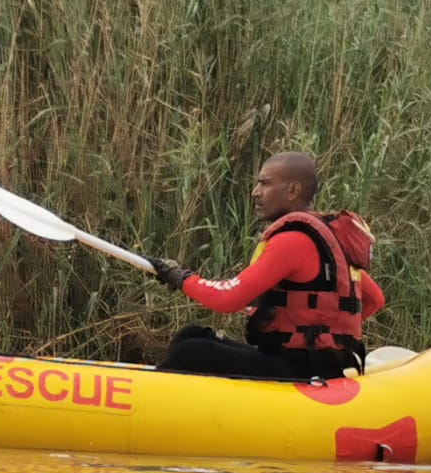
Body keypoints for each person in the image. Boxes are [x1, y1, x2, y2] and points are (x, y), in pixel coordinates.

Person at [146, 152, 385, 380]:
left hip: (305, 369)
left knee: (191, 352)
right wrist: (329, 331)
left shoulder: (293, 240)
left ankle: (147, 399)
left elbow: (227, 299)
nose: (255, 192)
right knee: (191, 335)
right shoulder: (328, 240)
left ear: (292, 190)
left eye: (265, 184)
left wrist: (180, 278)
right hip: (315, 362)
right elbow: (374, 299)